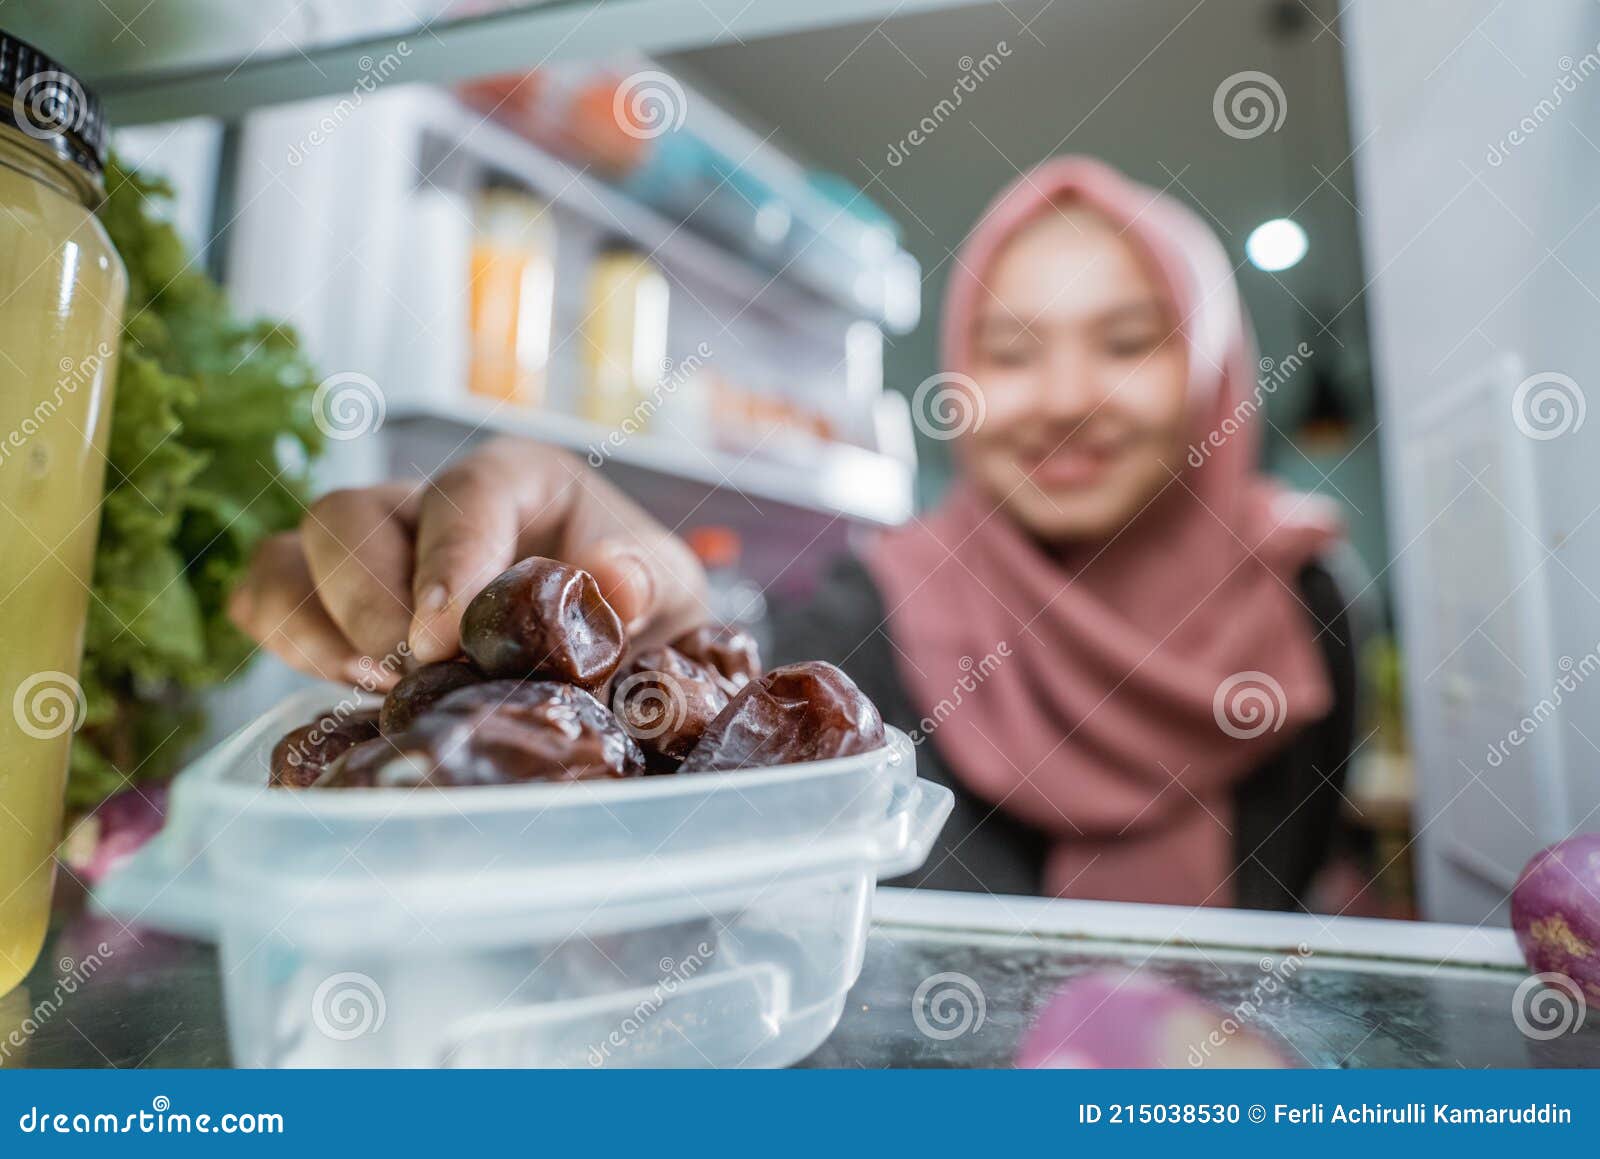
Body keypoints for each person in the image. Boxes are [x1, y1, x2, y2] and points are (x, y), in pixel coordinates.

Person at [231, 157, 1355, 910]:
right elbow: (718, 722)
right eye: (1012, 351)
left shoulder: (1303, 605)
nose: (1063, 397)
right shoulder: (877, 611)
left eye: (1126, 341)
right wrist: (604, 643)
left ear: (1214, 370)